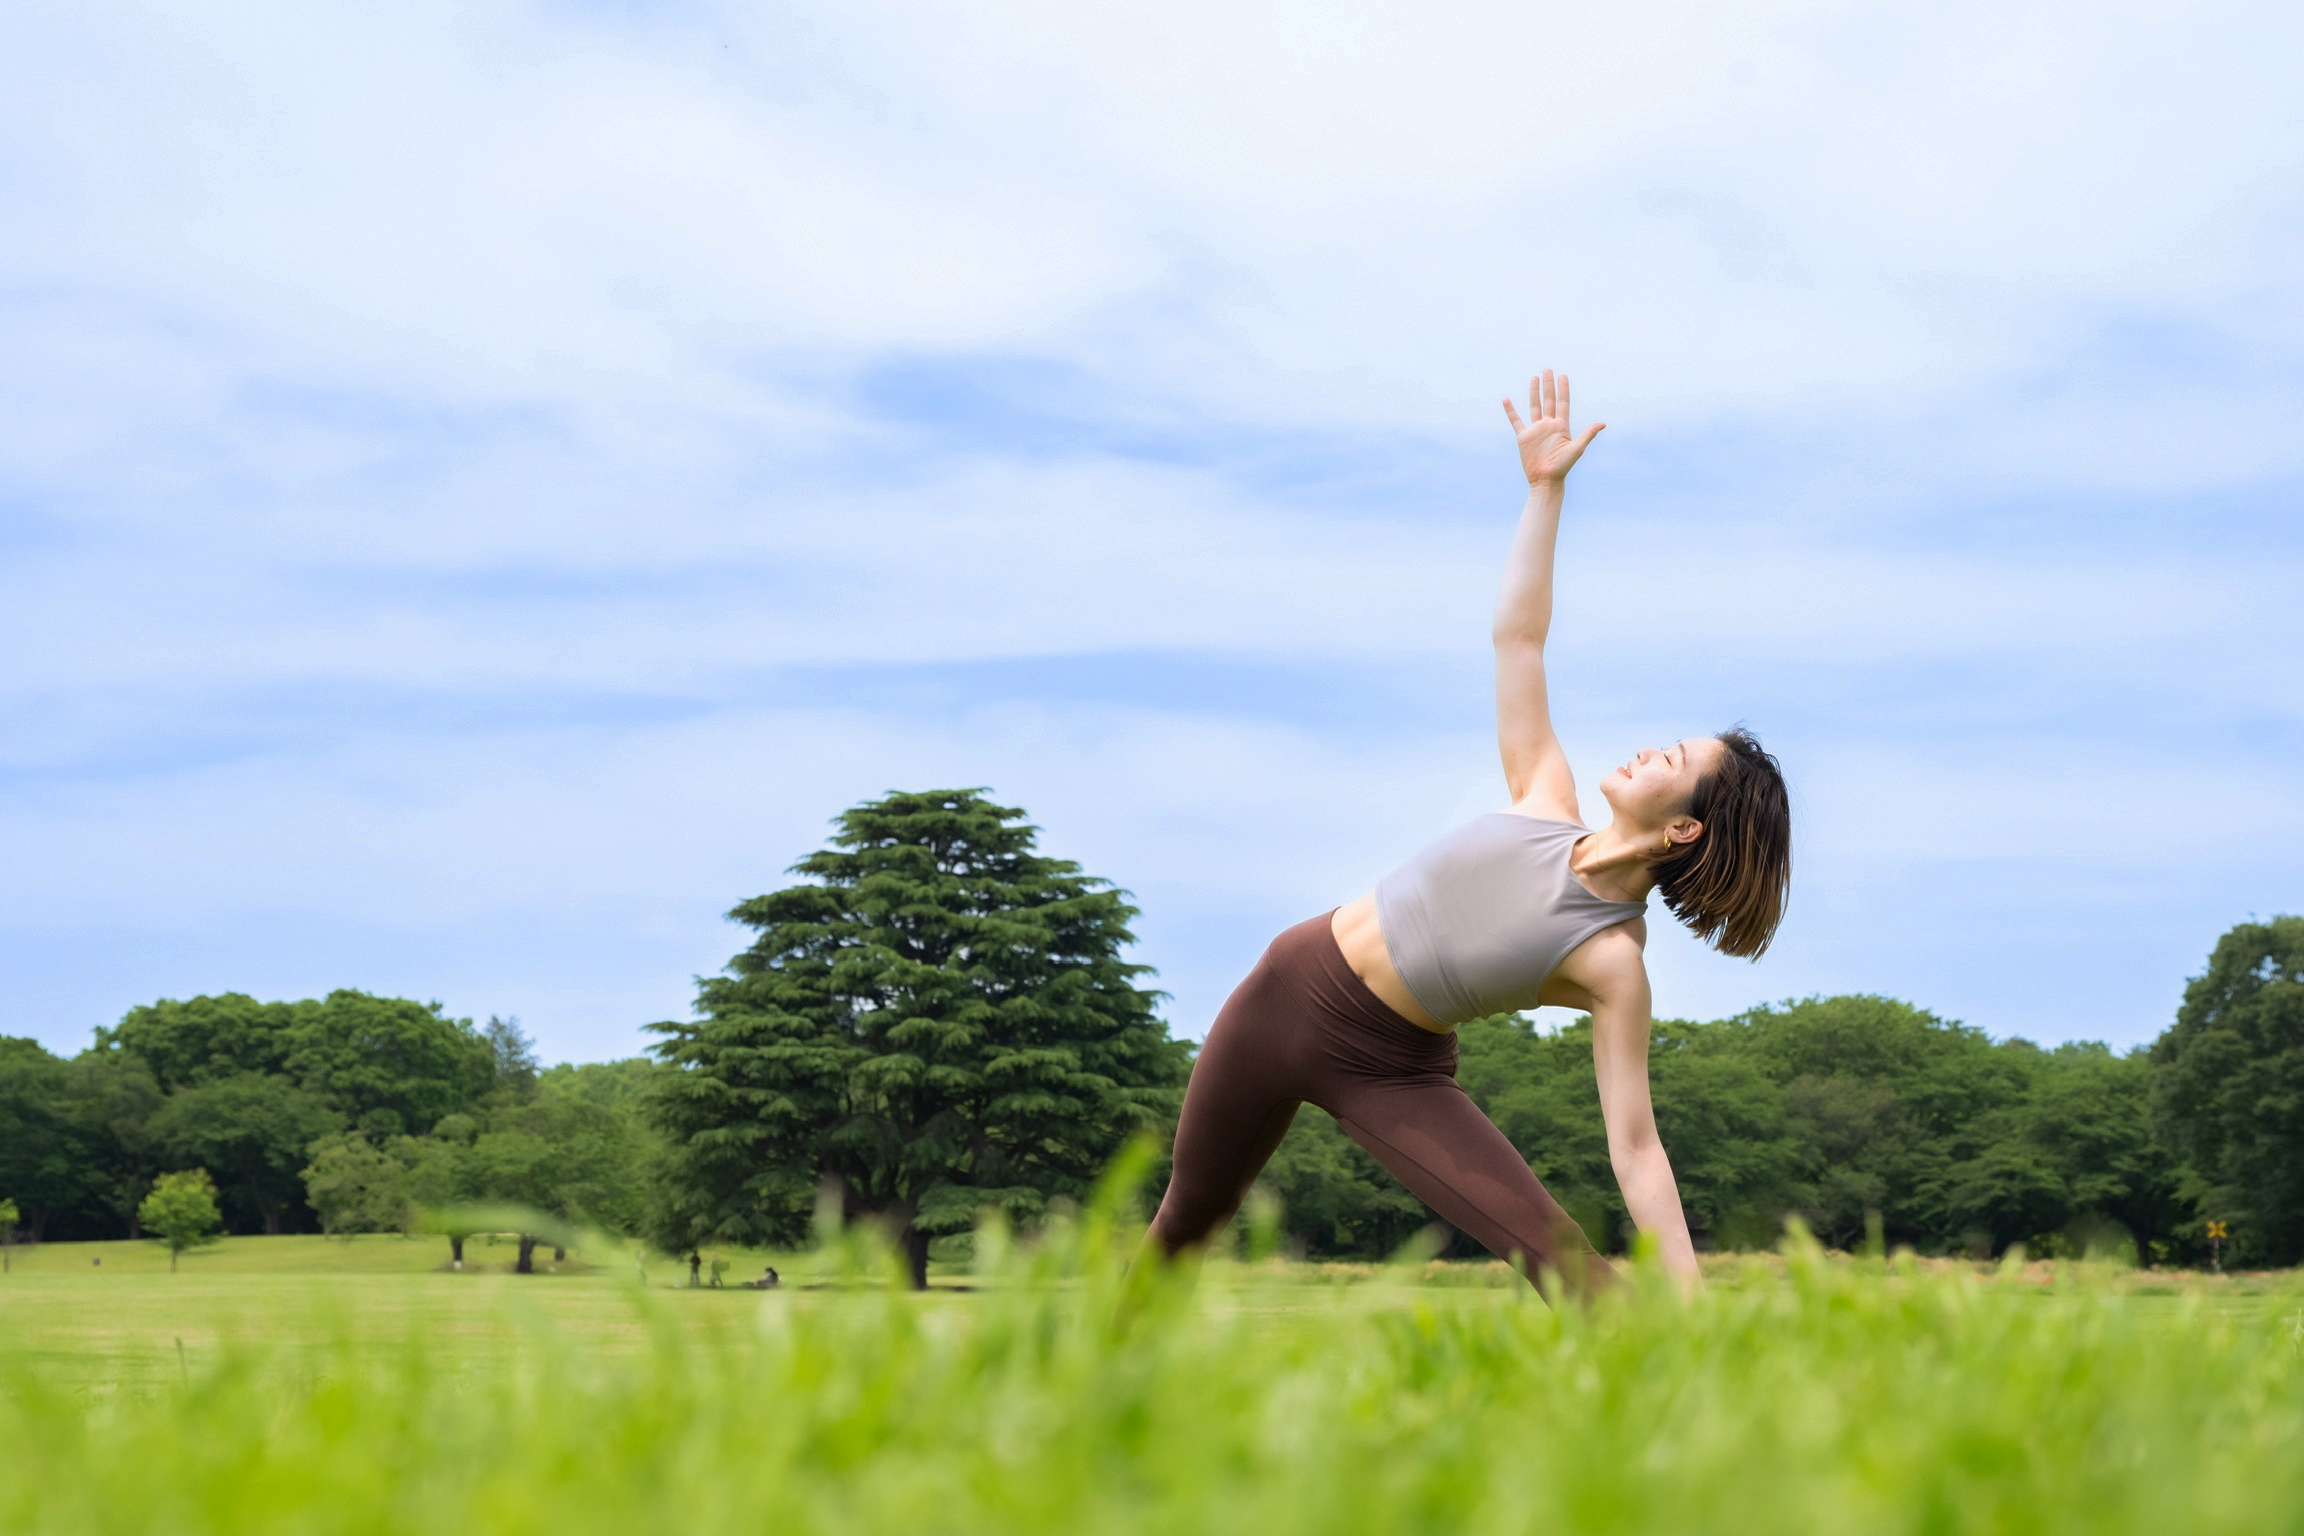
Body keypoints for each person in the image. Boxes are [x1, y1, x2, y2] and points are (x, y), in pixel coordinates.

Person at [1147, 371, 1792, 1300]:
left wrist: (1690, 1296)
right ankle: (1082, 1400)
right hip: (1284, 987)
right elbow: (1519, 640)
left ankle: (1676, 1397)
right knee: (1187, 1218)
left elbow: (1636, 1144)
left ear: (1686, 826)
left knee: (1575, 1274)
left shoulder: (1612, 960)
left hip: (1391, 1069)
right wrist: (1544, 493)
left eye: (1671, 759)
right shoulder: (1544, 792)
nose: (1648, 749)